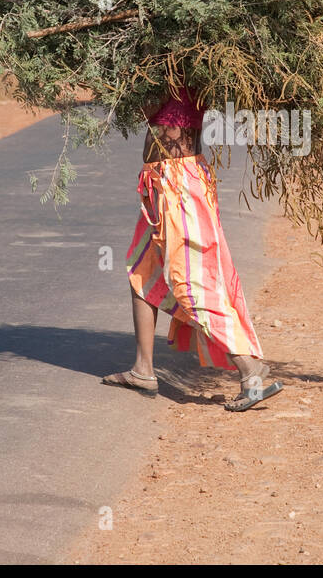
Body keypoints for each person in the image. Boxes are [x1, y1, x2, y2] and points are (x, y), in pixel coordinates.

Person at [102, 83, 282, 411]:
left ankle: (250, 371)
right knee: (142, 268)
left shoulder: (172, 66)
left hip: (177, 185)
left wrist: (128, 82)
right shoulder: (187, 59)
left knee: (190, 282)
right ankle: (143, 369)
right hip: (168, 180)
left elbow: (147, 109)